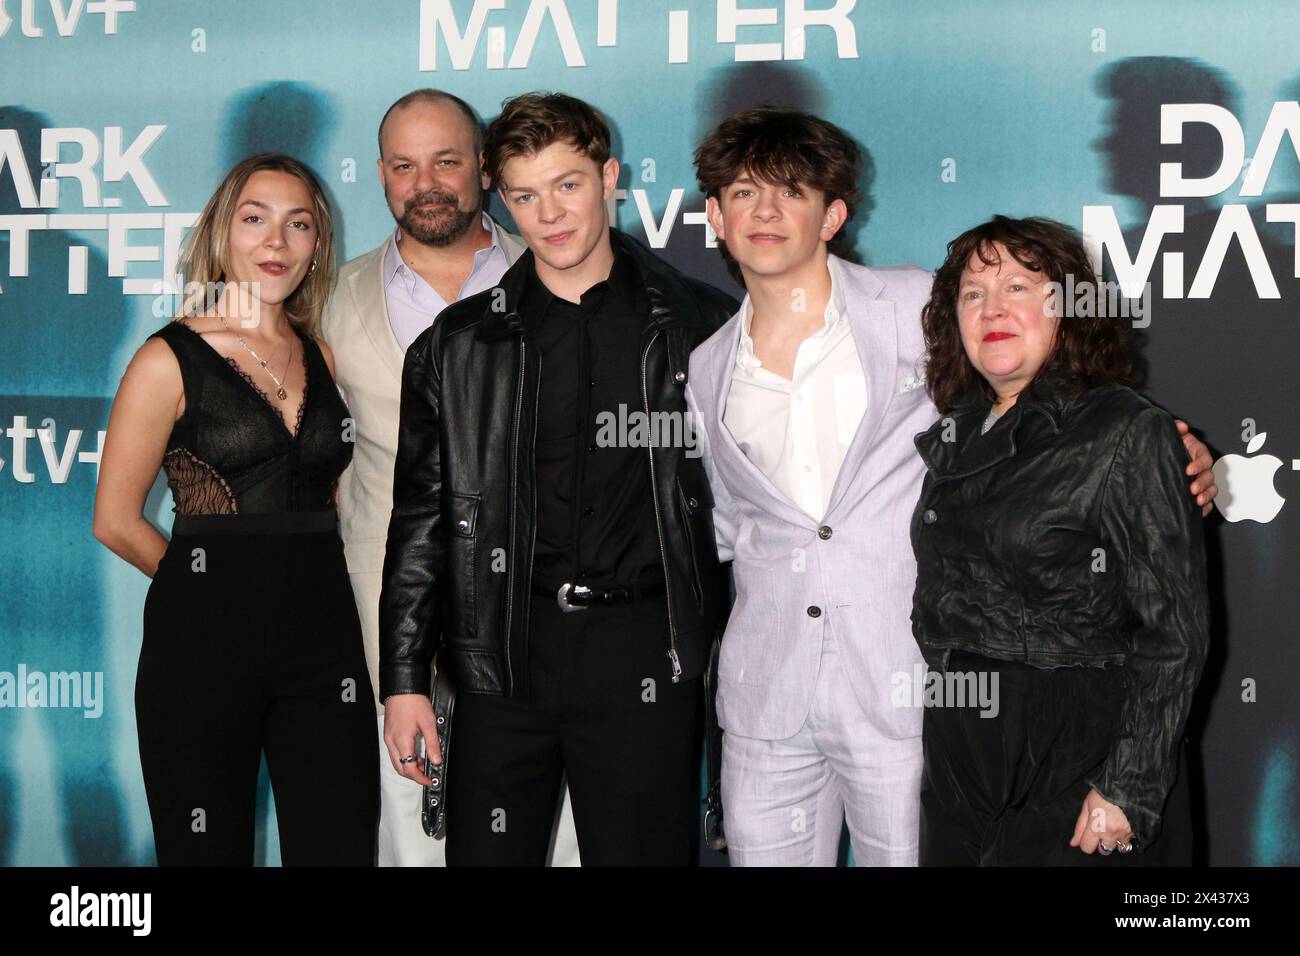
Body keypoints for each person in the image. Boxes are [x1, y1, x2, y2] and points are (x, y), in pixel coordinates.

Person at [685, 108, 1218, 866]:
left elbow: (1058, 404)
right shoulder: (704, 366)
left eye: (792, 191)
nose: (765, 212)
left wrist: (1182, 449)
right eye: (742, 193)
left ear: (833, 213)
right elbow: (733, 528)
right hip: (768, 696)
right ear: (714, 215)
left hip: (907, 693)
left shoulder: (914, 308)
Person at [379, 92, 736, 866]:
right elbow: (421, 525)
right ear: (501, 201)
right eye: (525, 195)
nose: (550, 213)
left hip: (645, 651)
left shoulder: (700, 326)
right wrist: (404, 678)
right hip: (505, 653)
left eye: (567, 184)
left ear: (610, 176)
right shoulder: (457, 346)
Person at [93, 154, 378, 865]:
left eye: (298, 224)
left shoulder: (322, 358)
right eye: (255, 219)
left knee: (337, 846)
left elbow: (329, 496)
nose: (275, 243)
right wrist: (204, 586)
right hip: (202, 652)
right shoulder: (166, 359)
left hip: (324, 645)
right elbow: (115, 520)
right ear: (222, 235)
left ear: (317, 247)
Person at [320, 88, 578, 867]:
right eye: (404, 165)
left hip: (543, 607)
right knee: (409, 821)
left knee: (559, 830)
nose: (425, 182)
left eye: (446, 161)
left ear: (486, 170)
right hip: (389, 613)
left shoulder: (558, 273)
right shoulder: (329, 299)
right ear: (380, 174)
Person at [911, 215, 1211, 865]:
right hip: (962, 750)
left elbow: (1175, 634)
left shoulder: (1127, 430)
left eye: (1019, 285)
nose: (993, 307)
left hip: (1078, 748)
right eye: (972, 293)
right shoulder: (956, 433)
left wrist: (1128, 787)